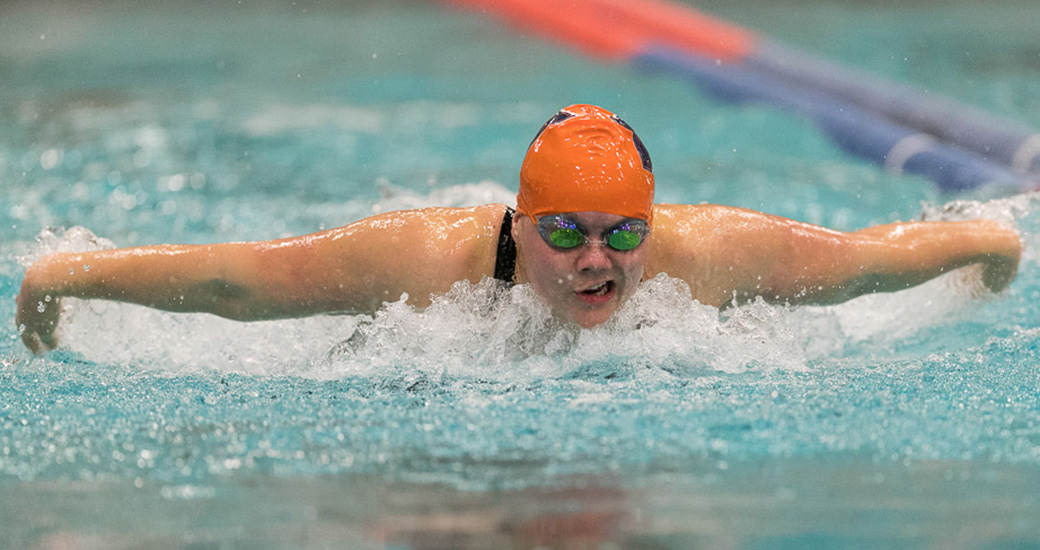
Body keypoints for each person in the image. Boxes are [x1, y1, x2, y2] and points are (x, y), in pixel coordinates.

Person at [15, 104, 1022, 354]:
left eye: (621, 235)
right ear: (520, 221)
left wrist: (989, 243)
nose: (596, 262)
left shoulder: (709, 253)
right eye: (567, 235)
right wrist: (75, 272)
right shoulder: (427, 260)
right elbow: (242, 282)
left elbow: (863, 263)